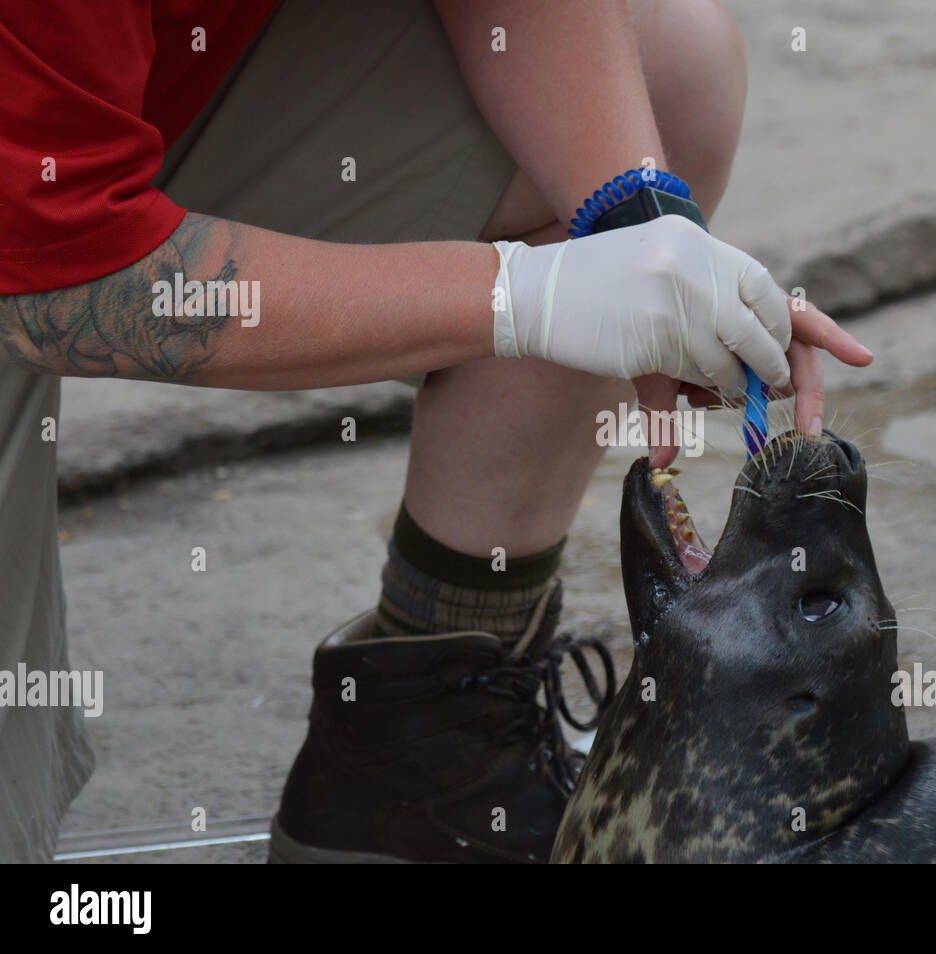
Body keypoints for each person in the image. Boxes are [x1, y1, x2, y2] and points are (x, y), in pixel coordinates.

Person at [0, 0, 873, 863]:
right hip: (34, 219)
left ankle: (420, 757)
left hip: (114, 101)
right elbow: (56, 290)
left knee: (668, 68)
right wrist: (521, 297)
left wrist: (631, 220)